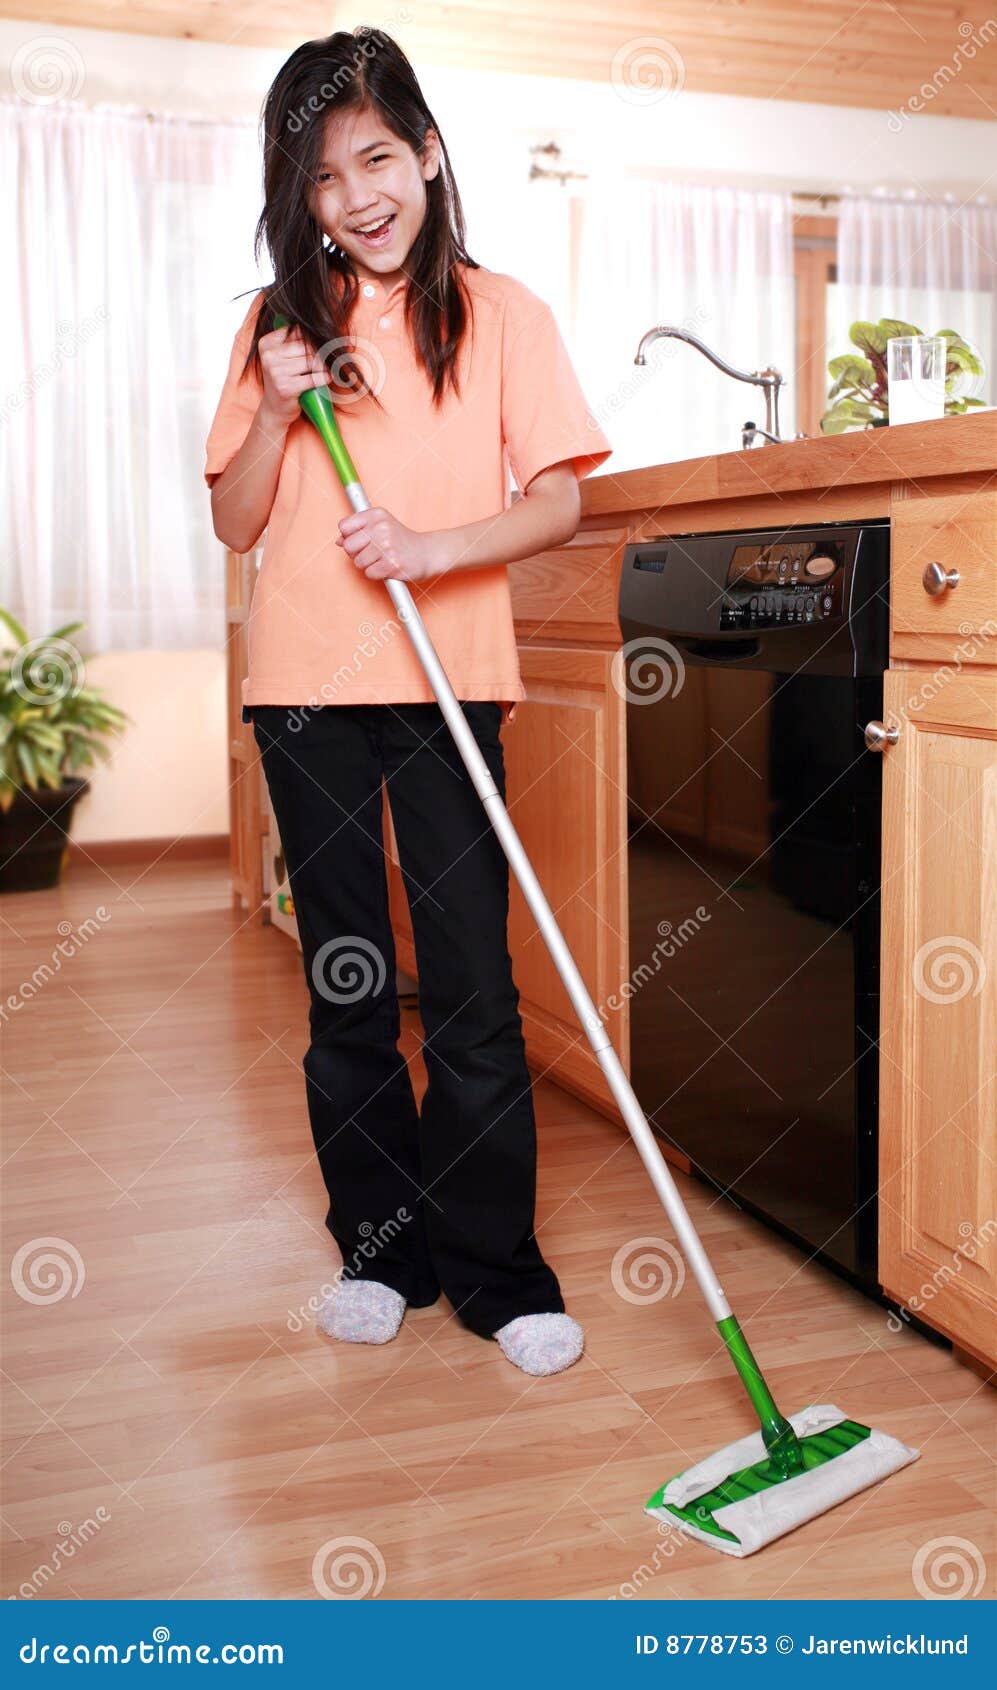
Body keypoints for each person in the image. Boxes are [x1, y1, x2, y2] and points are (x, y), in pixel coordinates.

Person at [204, 28, 612, 1376]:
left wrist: (434, 552)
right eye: (322, 178)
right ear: (298, 195)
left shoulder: (504, 318)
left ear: (428, 155)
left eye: (377, 158)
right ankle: (383, 1249)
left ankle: (498, 1268)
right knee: (348, 981)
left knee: (475, 984)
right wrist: (269, 408)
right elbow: (238, 519)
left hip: (451, 688)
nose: (356, 196)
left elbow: (560, 495)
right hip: (306, 696)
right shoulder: (278, 323)